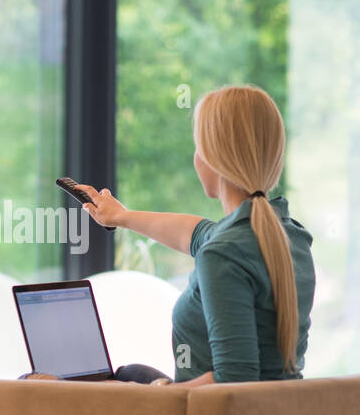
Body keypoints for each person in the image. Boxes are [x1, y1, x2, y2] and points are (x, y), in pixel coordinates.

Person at [77, 84, 315, 386]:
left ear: (212, 159)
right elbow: (195, 232)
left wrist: (163, 396)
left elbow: (234, 379)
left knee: (45, 383)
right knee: (129, 373)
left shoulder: (223, 253)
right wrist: (120, 216)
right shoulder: (289, 237)